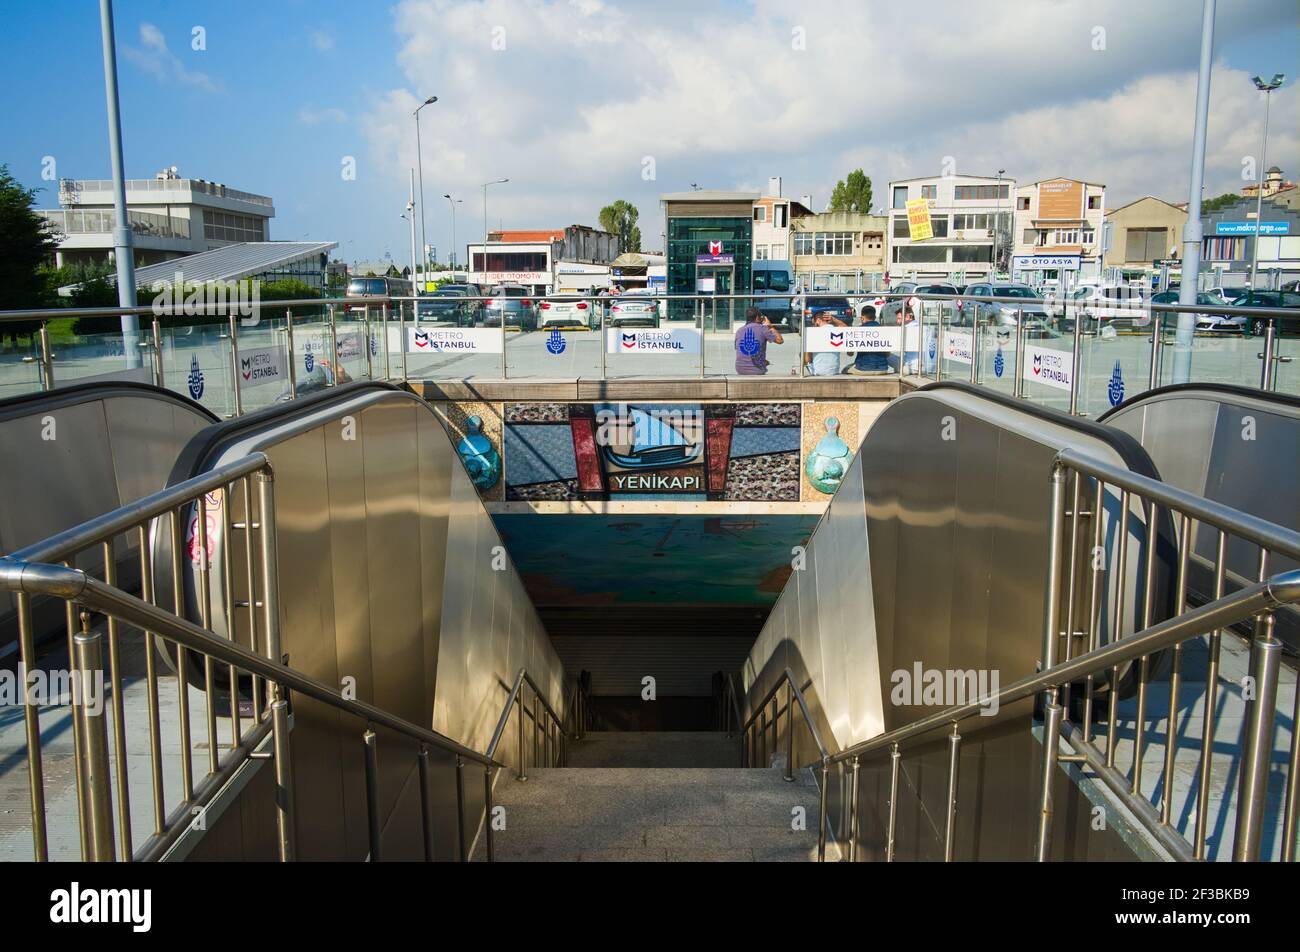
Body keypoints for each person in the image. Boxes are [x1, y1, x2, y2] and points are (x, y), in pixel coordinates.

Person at [734, 305, 783, 375]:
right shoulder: (763, 329)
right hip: (756, 370)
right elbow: (780, 340)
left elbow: (742, 352)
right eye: (761, 316)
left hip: (740, 369)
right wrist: (770, 326)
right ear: (757, 317)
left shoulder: (739, 331)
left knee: (763, 362)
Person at [844, 304, 890, 376]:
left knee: (845, 369)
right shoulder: (883, 330)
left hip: (863, 368)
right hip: (882, 368)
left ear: (862, 318)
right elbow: (887, 354)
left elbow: (850, 354)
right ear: (875, 317)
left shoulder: (857, 331)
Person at [805, 311, 847, 376]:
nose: (814, 325)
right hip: (834, 371)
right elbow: (848, 330)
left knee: (803, 353)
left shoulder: (813, 334)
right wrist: (834, 319)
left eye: (814, 323)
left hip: (818, 372)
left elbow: (808, 359)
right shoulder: (836, 330)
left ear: (818, 320)